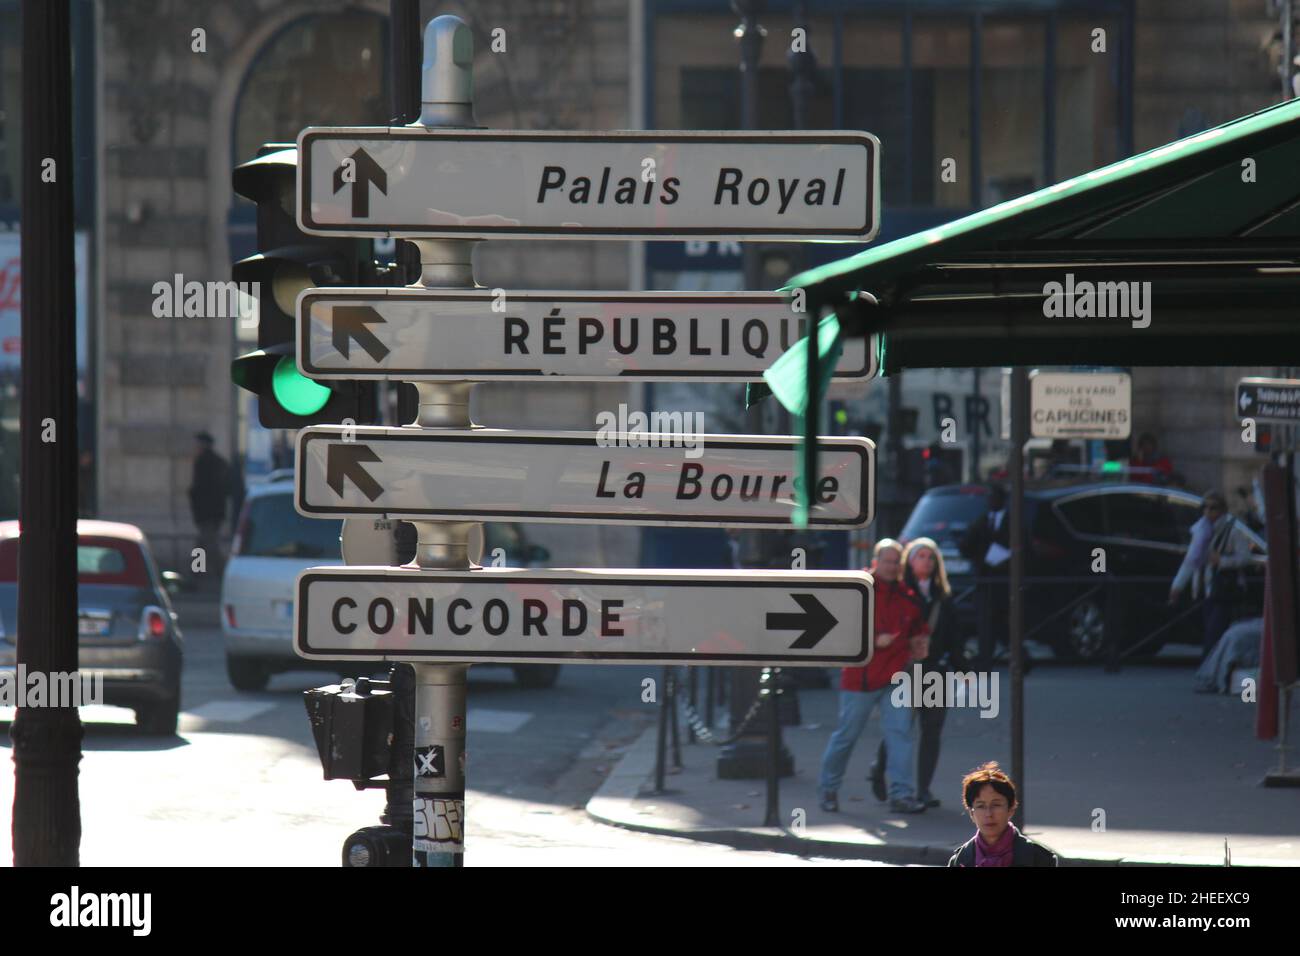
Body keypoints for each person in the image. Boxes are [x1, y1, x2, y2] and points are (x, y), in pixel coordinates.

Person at [818, 539, 931, 815]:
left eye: (896, 562)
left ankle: (901, 795)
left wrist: (920, 642)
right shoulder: (859, 589)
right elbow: (838, 629)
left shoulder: (907, 596)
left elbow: (919, 628)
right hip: (861, 678)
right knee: (847, 735)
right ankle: (828, 790)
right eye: (888, 561)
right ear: (876, 561)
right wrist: (871, 640)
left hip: (895, 677)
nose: (892, 566)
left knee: (901, 735)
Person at [870, 537, 962, 808]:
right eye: (921, 556)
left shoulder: (942, 595)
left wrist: (965, 669)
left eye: (931, 557)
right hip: (906, 670)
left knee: (932, 730)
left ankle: (923, 789)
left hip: (937, 671)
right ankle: (880, 769)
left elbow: (955, 636)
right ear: (909, 562)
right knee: (901, 728)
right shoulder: (902, 591)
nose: (927, 561)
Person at [1168, 490, 1253, 662]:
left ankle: (1208, 671)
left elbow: (1245, 558)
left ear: (1223, 510)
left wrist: (1221, 560)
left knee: (1214, 633)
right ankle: (1214, 668)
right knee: (1209, 630)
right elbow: (1190, 561)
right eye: (1204, 507)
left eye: (1213, 508)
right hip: (1205, 589)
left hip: (1224, 590)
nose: (1208, 511)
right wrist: (1177, 586)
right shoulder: (1200, 530)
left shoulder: (1233, 529)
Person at [948, 761, 1058, 867]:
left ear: (1011, 809)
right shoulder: (961, 859)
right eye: (981, 806)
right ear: (972, 813)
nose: (989, 814)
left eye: (996, 805)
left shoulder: (1038, 858)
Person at [959, 485, 1011, 666]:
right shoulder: (981, 521)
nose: (991, 501)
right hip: (984, 581)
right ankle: (985, 658)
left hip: (1005, 581)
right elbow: (966, 546)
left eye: (994, 497)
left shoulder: (1012, 522)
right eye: (989, 498)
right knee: (985, 621)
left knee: (1006, 622)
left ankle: (1016, 655)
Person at [189, 431, 230, 585]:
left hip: (207, 513)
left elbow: (201, 490)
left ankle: (223, 576)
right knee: (201, 545)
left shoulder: (204, 463)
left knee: (210, 546)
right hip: (214, 512)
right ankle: (196, 575)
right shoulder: (219, 462)